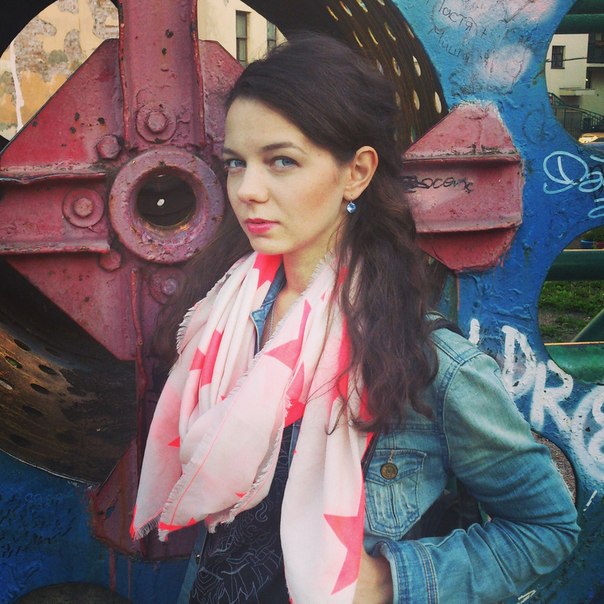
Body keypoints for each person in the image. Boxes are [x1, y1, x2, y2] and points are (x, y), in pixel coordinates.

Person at [131, 32, 579, 604]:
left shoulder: (432, 365)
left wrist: (392, 579)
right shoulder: (219, 321)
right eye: (236, 163)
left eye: (282, 161)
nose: (248, 190)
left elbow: (546, 529)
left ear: (357, 172)